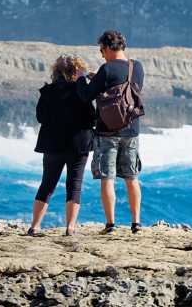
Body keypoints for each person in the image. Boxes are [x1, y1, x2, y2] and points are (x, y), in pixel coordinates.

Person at [81, 30, 146, 234]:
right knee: (131, 177)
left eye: (102, 50)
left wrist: (83, 79)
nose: (102, 54)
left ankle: (110, 224)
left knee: (107, 178)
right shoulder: (137, 67)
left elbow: (87, 95)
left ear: (108, 47)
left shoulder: (106, 69)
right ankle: (136, 223)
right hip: (131, 130)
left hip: (107, 132)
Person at [28, 55, 94, 236]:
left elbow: (40, 117)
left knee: (47, 184)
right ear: (77, 71)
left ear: (56, 71)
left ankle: (34, 226)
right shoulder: (82, 91)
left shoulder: (48, 91)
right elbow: (91, 118)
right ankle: (70, 228)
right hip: (78, 144)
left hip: (52, 143)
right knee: (74, 185)